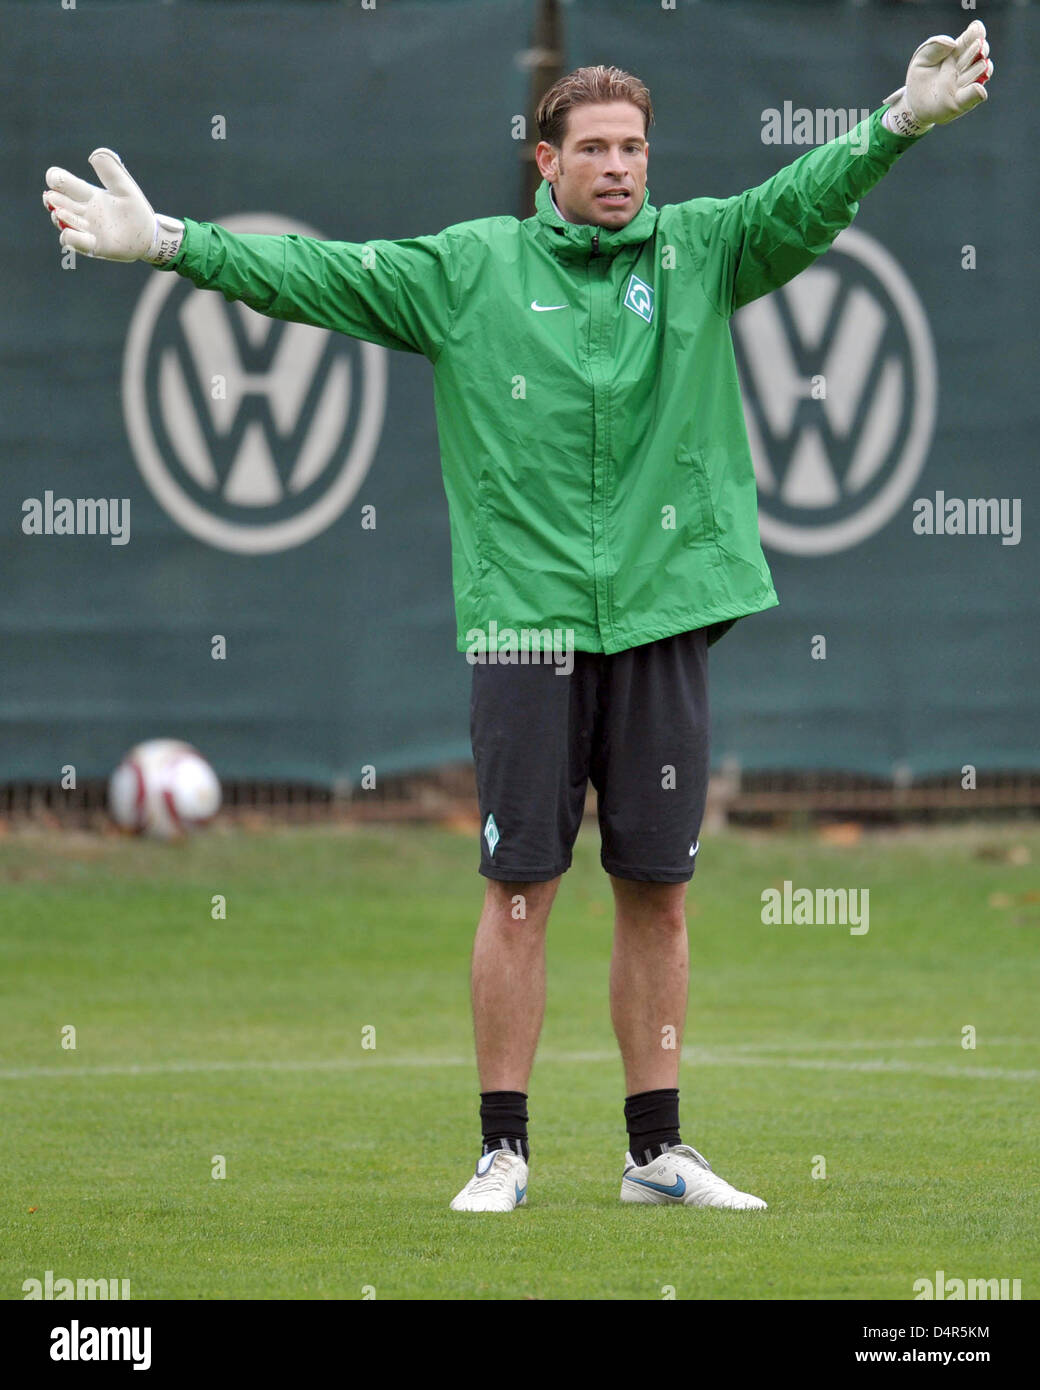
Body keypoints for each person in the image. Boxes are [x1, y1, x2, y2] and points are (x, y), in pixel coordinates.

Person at [42, 22, 993, 1215]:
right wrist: (172, 242)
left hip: (660, 615)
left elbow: (804, 196)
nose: (617, 165)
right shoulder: (470, 269)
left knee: (658, 886)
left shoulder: (700, 251)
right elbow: (318, 277)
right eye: (591, 146)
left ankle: (658, 1154)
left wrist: (895, 121)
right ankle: (503, 1152)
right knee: (519, 887)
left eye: (633, 146)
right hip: (522, 624)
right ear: (542, 162)